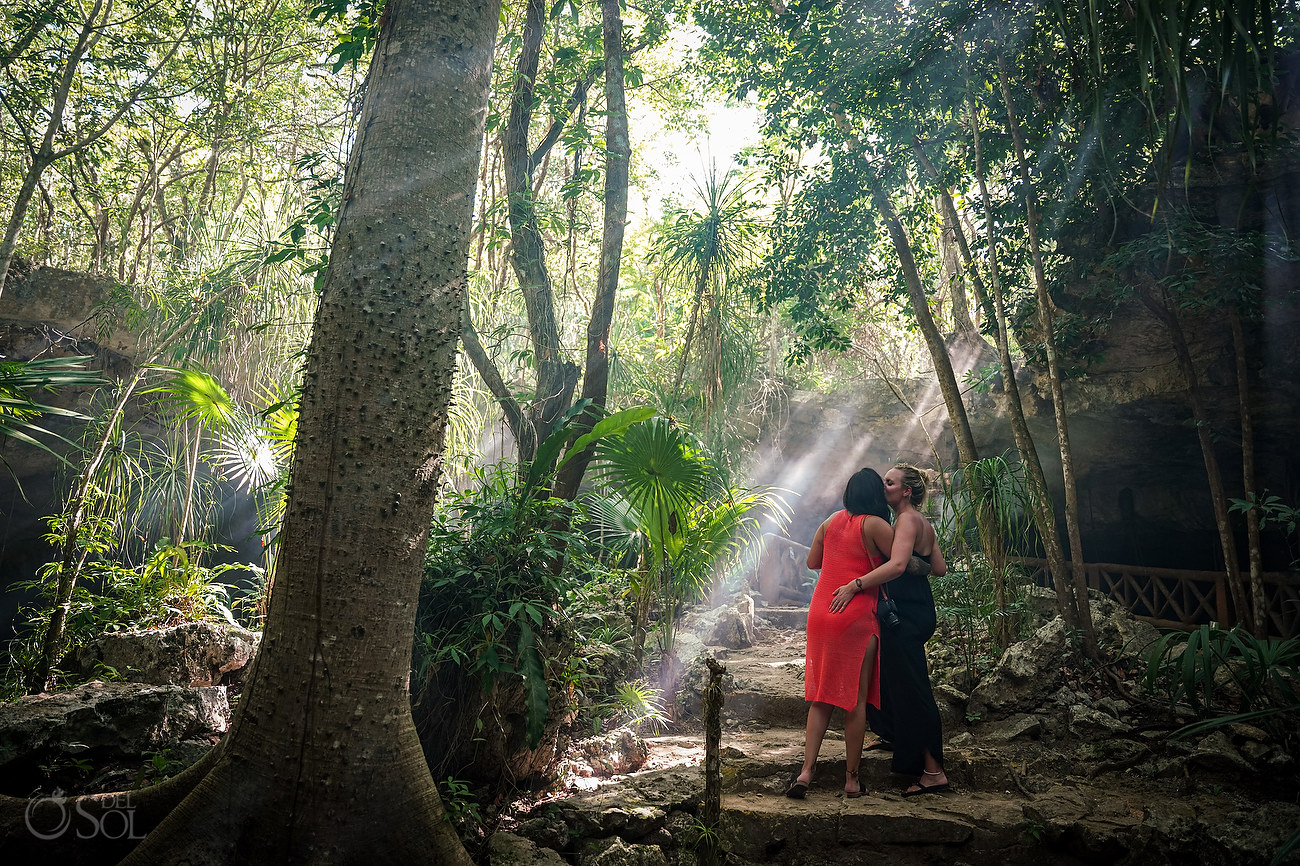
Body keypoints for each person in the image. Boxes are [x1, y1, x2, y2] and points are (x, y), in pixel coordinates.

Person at [787, 467, 893, 799]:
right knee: (855, 702)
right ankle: (851, 779)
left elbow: (812, 563)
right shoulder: (876, 525)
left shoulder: (829, 521)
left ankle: (806, 772)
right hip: (855, 615)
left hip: (821, 611)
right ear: (877, 495)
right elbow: (902, 561)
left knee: (821, 698)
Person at [856, 463, 950, 797]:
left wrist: (857, 584)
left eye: (890, 482)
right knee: (896, 680)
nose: (884, 487)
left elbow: (896, 566)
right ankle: (896, 735)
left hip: (906, 614)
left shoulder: (907, 519)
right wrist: (913, 562)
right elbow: (937, 568)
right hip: (918, 609)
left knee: (914, 689)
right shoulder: (920, 522)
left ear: (906, 491)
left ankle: (933, 770)